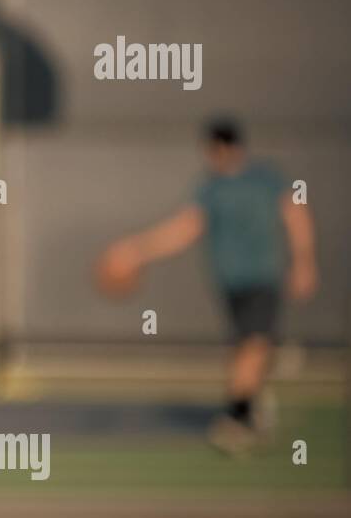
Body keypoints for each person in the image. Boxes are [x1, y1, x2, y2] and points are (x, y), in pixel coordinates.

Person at [96, 117, 318, 455]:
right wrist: (137, 250)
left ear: (223, 147)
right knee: (247, 347)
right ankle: (252, 402)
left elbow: (295, 213)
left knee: (255, 344)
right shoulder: (211, 189)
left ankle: (238, 417)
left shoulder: (264, 178)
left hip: (263, 277)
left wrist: (304, 260)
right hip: (230, 282)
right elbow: (185, 228)